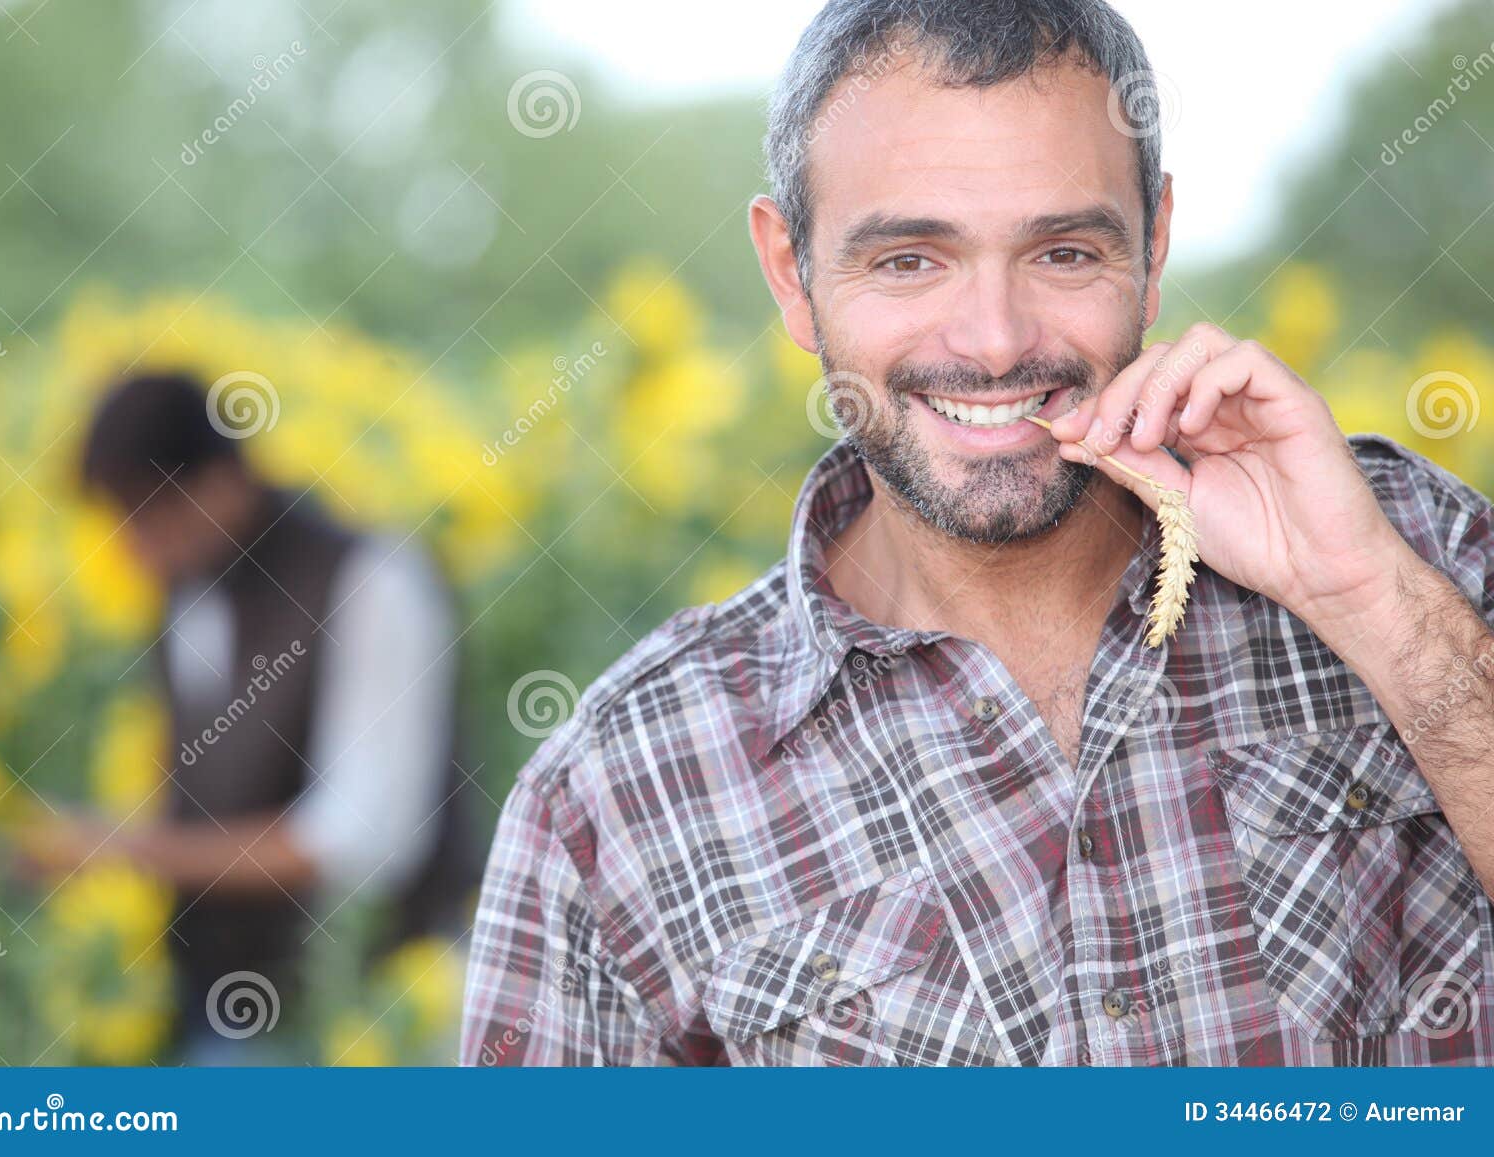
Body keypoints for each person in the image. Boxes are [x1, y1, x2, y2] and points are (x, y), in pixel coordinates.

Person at [461, 0, 1494, 1066]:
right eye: (910, 259)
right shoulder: (618, 788)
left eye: (1063, 253)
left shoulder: (1417, 557)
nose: (994, 343)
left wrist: (1367, 600)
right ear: (791, 272)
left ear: (1155, 240)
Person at [28, 371, 481, 1062]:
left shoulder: (374, 580)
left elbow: (362, 841)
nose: (129, 551)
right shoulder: (184, 591)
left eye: (144, 516)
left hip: (372, 1027)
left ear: (217, 483)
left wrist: (123, 850)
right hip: (216, 1019)